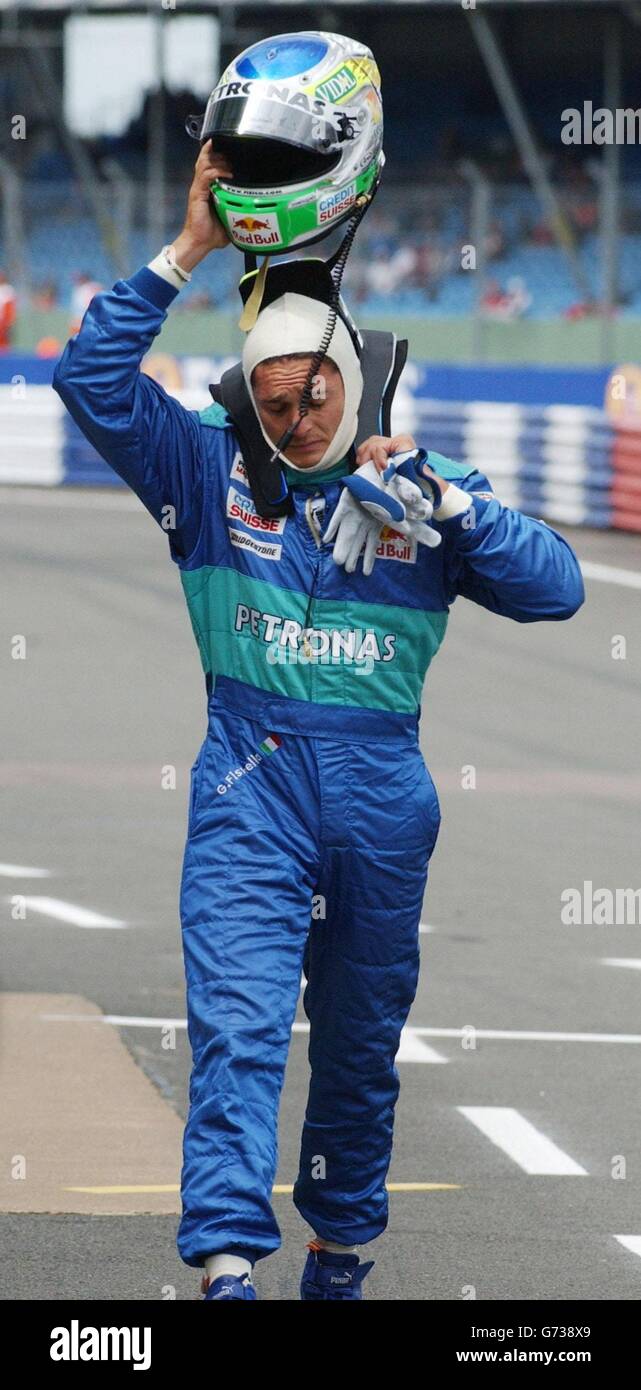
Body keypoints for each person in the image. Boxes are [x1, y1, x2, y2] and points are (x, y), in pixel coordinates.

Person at [52, 35, 585, 1303]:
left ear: (351, 386)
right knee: (233, 1033)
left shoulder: (417, 491)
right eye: (271, 400)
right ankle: (228, 1269)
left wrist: (443, 514)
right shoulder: (197, 471)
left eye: (313, 399)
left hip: (381, 802)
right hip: (247, 785)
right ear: (243, 395)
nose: (292, 421)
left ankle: (337, 1259)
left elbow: (557, 588)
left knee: (356, 1053)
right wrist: (182, 250)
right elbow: (88, 378)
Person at [0, 270, 17, 350]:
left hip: (3, 326)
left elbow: (10, 312)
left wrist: (7, 324)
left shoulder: (7, 290)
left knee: (4, 349)